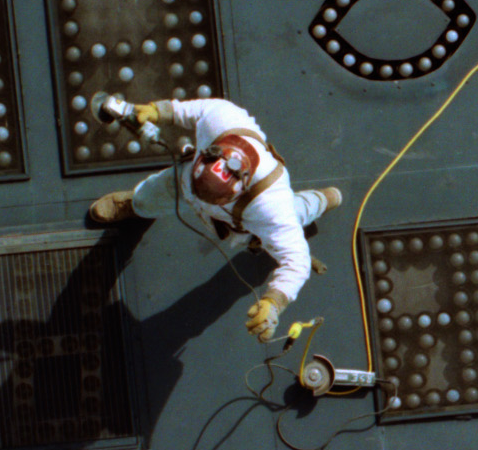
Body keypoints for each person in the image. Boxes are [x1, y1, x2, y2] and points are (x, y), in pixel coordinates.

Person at [88, 96, 340, 342]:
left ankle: (322, 200)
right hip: (185, 181)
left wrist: (273, 301)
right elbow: (203, 108)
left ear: (238, 188)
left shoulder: (272, 206)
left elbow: (298, 262)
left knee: (296, 213)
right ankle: (135, 205)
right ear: (210, 154)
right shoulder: (221, 121)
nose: (200, 201)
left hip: (242, 222)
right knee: (157, 190)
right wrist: (159, 111)